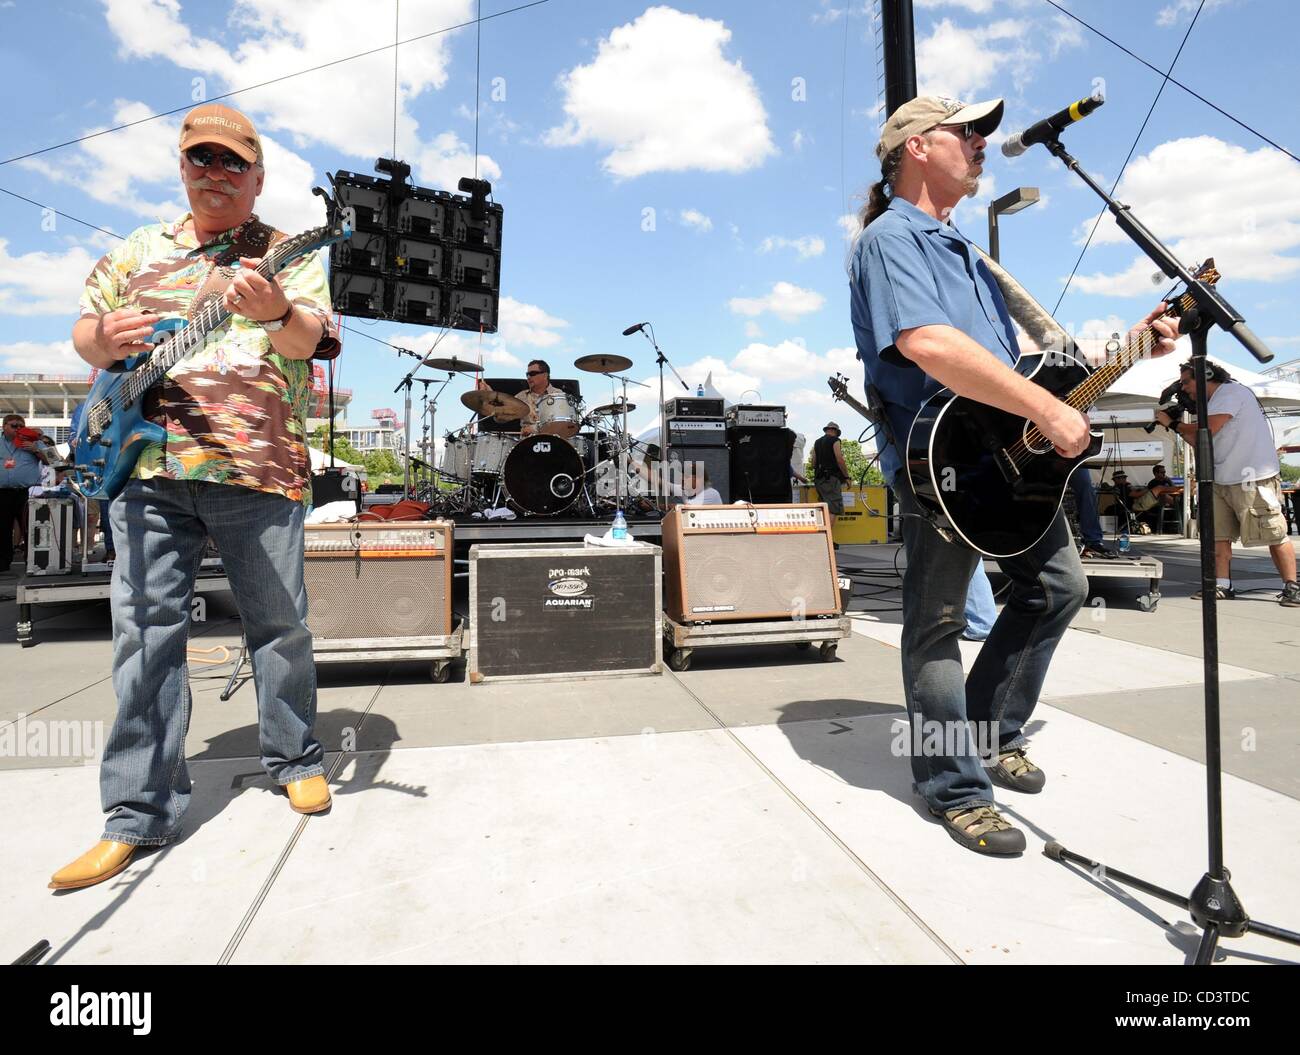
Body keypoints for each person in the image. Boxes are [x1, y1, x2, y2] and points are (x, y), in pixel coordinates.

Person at [848, 94, 1180, 854]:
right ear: (917, 148)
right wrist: (1052, 413)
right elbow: (930, 344)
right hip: (945, 463)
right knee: (935, 625)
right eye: (966, 132)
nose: (981, 142)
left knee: (1058, 587)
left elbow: (1031, 375)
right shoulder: (892, 238)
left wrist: (1132, 350)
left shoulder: (964, 249)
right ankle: (952, 785)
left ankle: (991, 732)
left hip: (1008, 462)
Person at [50, 103, 341, 892]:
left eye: (230, 162)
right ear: (183, 168)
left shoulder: (286, 251)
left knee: (279, 624)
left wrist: (276, 310)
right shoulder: (141, 248)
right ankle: (135, 813)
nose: (214, 173)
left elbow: (309, 340)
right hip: (145, 471)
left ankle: (295, 758)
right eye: (199, 159)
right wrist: (99, 341)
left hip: (257, 468)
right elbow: (84, 328)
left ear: (256, 176)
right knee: (143, 635)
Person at [1156, 362, 1298, 605]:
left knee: (1274, 533)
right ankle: (1222, 585)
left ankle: (1292, 587)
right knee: (1217, 536)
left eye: (1186, 382)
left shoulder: (1231, 392)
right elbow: (1198, 440)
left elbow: (1208, 429)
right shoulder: (1213, 403)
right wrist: (1178, 426)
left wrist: (1172, 423)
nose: (1184, 388)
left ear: (1206, 376)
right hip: (1221, 479)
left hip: (1251, 478)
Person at [1, 414, 54, 575]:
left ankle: (32, 562)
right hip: (3, 492)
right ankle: (3, 563)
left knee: (30, 527)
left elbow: (53, 461)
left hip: (27, 492)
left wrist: (37, 450)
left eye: (20, 425)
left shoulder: (34, 442)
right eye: (14, 426)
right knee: (2, 528)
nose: (18, 429)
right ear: (4, 427)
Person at [811, 421, 850, 542]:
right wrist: (847, 477)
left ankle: (821, 537)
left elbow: (813, 463)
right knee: (833, 508)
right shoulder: (835, 441)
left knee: (824, 508)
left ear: (827, 430)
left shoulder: (817, 442)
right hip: (831, 479)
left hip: (819, 479)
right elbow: (839, 459)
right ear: (835, 431)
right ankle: (826, 540)